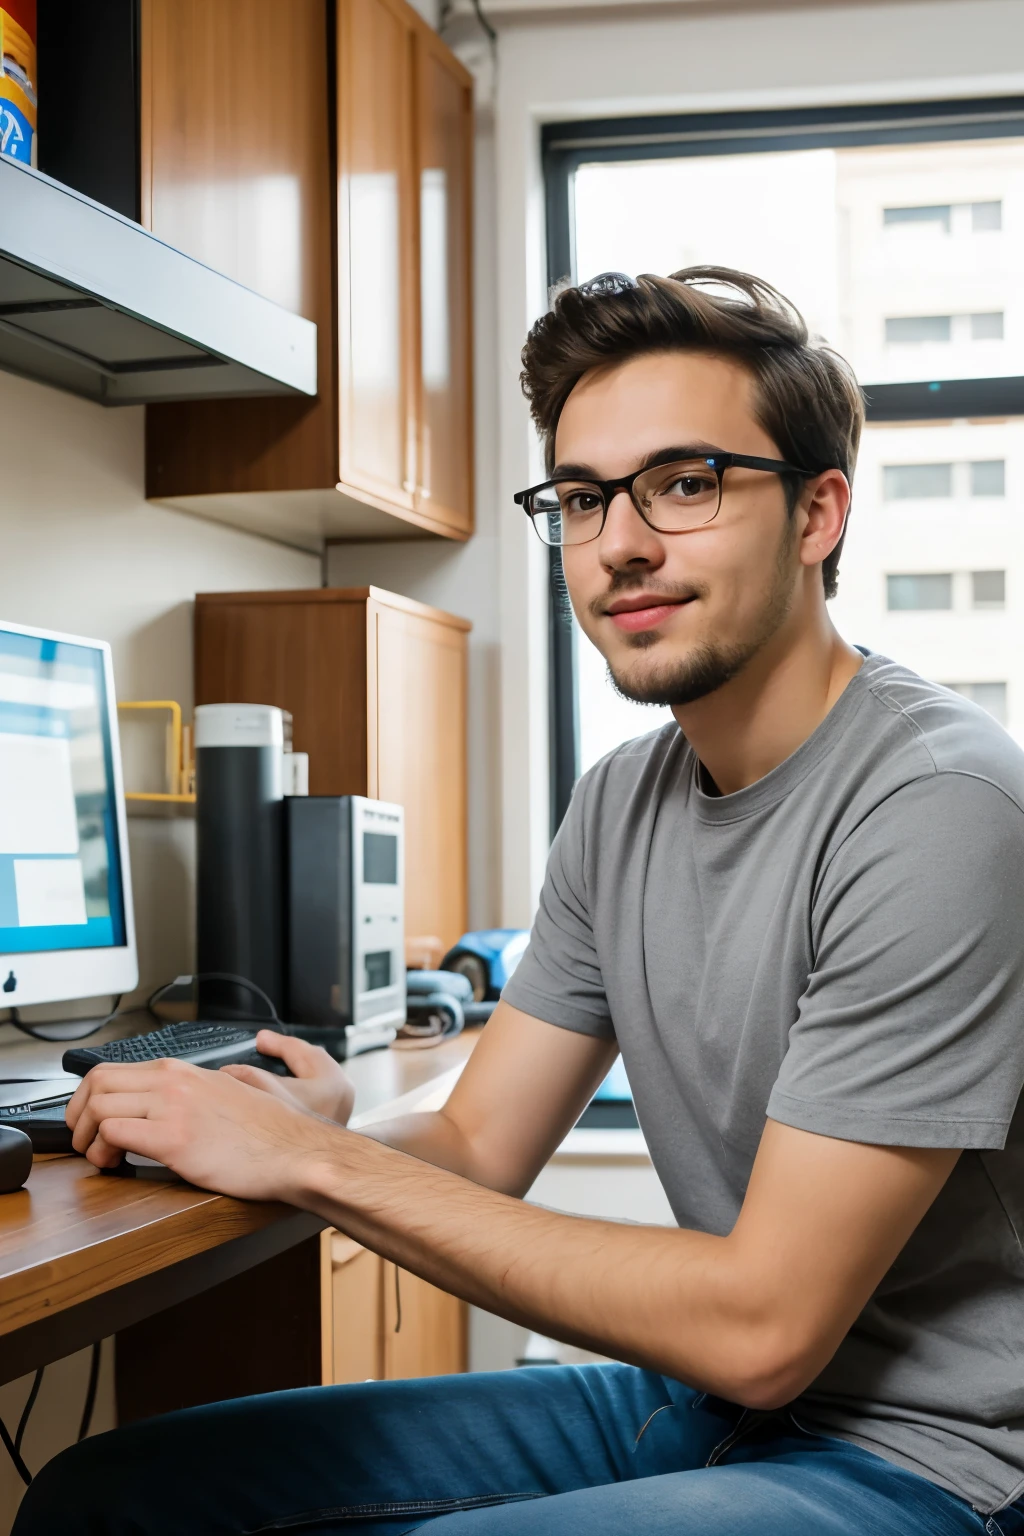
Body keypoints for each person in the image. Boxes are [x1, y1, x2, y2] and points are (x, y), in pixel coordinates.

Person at [16, 268, 1024, 1536]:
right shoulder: (619, 801)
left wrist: (317, 1163)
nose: (621, 543)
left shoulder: (937, 804)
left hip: (934, 1457)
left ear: (819, 512)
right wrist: (293, 1126)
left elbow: (765, 1325)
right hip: (713, 1404)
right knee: (106, 1499)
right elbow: (482, 1146)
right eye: (585, 497)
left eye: (686, 481)